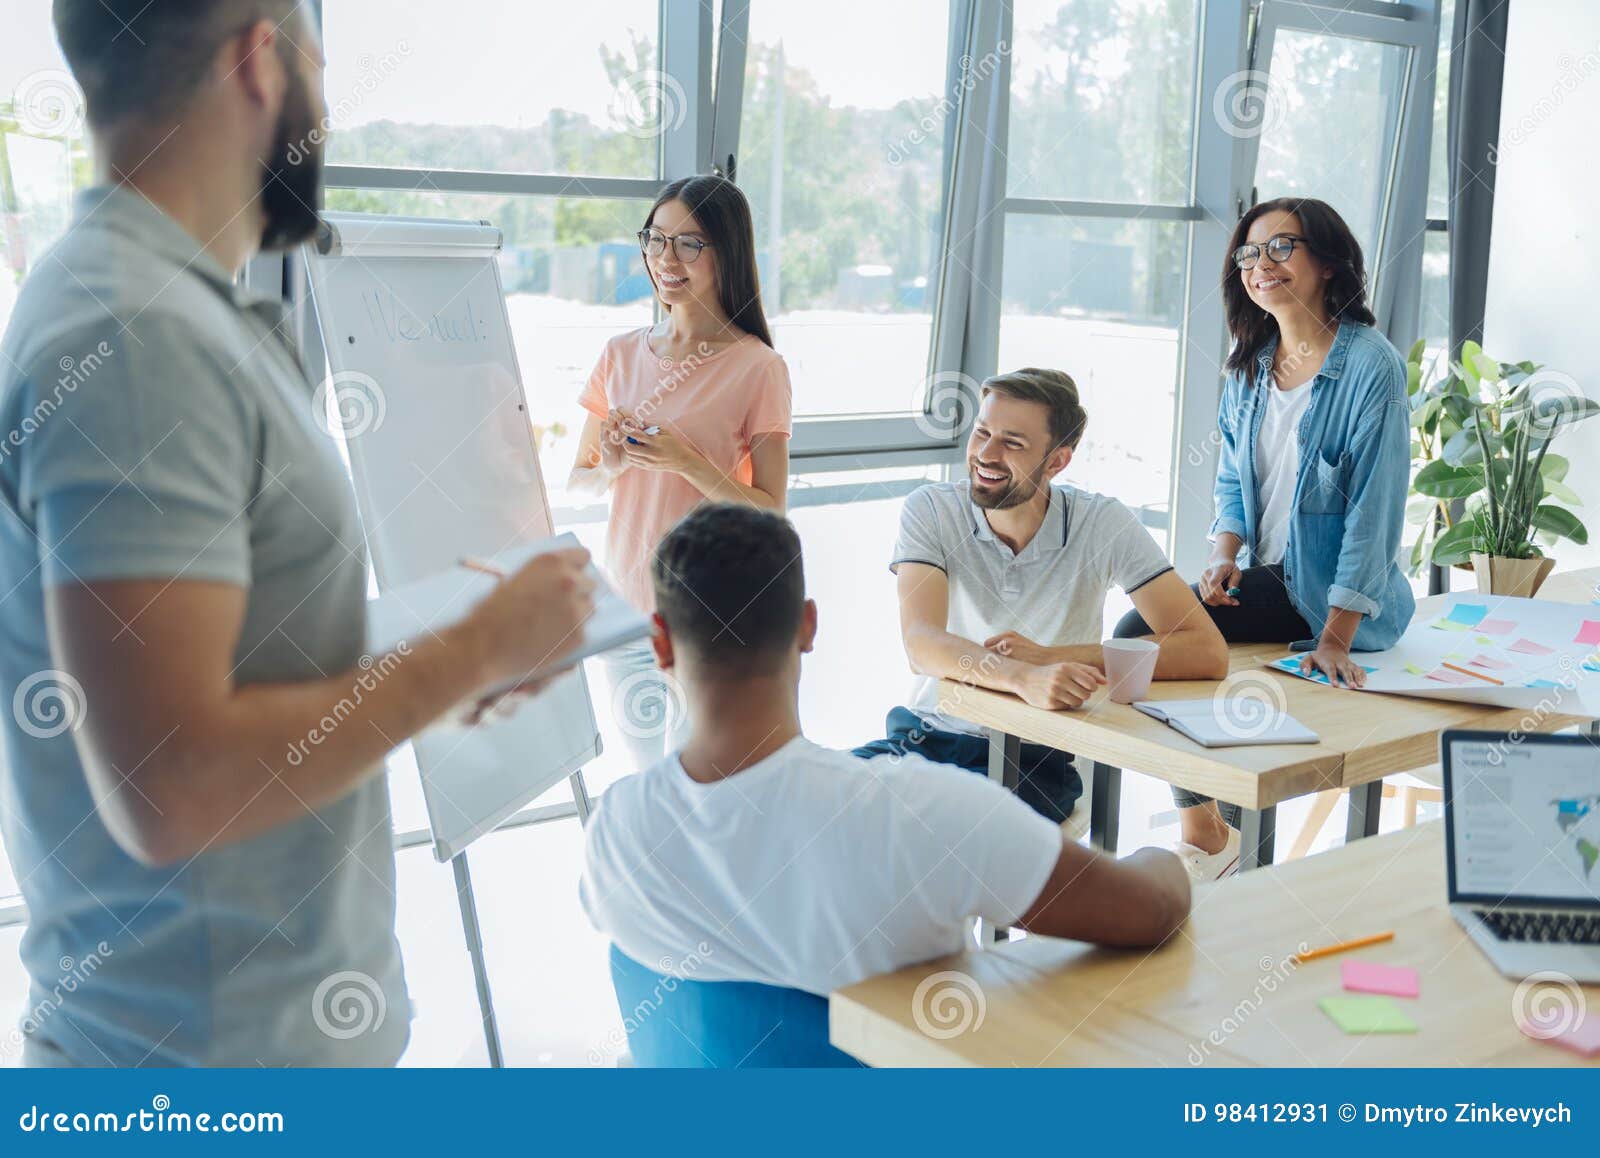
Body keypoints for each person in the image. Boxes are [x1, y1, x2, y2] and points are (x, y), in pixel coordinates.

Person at [0, 0, 595, 1066]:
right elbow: (173, 787)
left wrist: (457, 646)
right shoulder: (137, 340)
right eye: (321, 64)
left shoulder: (177, 315)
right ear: (259, 62)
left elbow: (241, 650)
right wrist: (475, 649)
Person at [579, 504, 1191, 1001]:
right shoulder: (927, 814)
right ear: (807, 626)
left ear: (659, 643)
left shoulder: (615, 827)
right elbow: (1151, 911)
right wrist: (1169, 853)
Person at [1114, 197, 1415, 881]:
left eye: (1282, 248)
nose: (1261, 264)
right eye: (1250, 254)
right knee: (1142, 632)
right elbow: (1229, 484)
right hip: (1265, 575)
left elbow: (1376, 514)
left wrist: (1335, 636)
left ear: (1329, 262)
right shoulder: (1250, 366)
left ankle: (1213, 834)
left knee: (1149, 641)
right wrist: (1222, 556)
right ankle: (1208, 831)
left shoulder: (1372, 367)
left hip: (1328, 595)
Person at [853, 368, 1228, 824]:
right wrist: (1021, 676)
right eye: (982, 433)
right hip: (927, 737)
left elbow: (1205, 650)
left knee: (934, 838)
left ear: (1056, 462)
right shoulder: (932, 509)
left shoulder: (1103, 523)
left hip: (1035, 762)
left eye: (1012, 443)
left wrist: (1052, 657)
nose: (986, 454)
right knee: (808, 806)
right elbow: (921, 642)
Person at [568, 175, 791, 768]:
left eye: (689, 244)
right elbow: (580, 482)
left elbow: (772, 509)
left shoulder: (759, 367)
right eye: (655, 240)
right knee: (645, 778)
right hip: (626, 608)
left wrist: (686, 461)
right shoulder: (619, 354)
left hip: (711, 614)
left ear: (727, 251)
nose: (666, 260)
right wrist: (612, 464)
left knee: (695, 785)